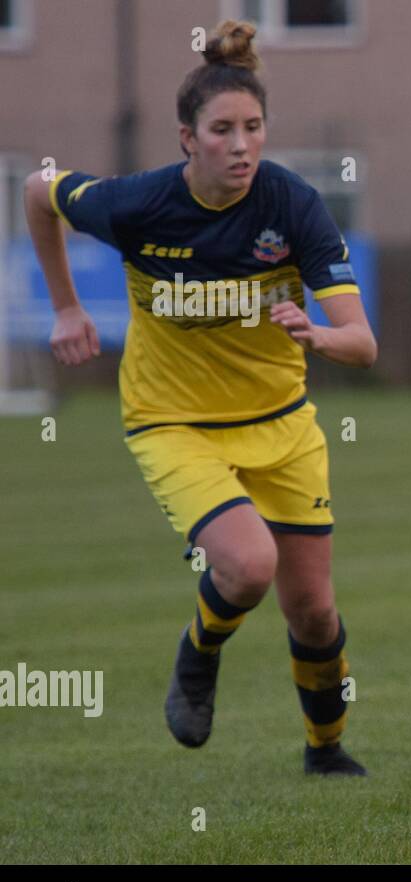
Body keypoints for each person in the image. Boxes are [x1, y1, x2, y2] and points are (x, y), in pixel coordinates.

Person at [23, 20, 377, 776]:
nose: (242, 144)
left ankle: (326, 751)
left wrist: (316, 334)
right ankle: (199, 652)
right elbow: (36, 192)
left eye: (253, 127)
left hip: (282, 426)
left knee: (313, 608)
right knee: (248, 564)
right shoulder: (135, 204)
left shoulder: (293, 205)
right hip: (173, 423)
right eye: (223, 130)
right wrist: (65, 307)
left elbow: (364, 342)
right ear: (188, 138)